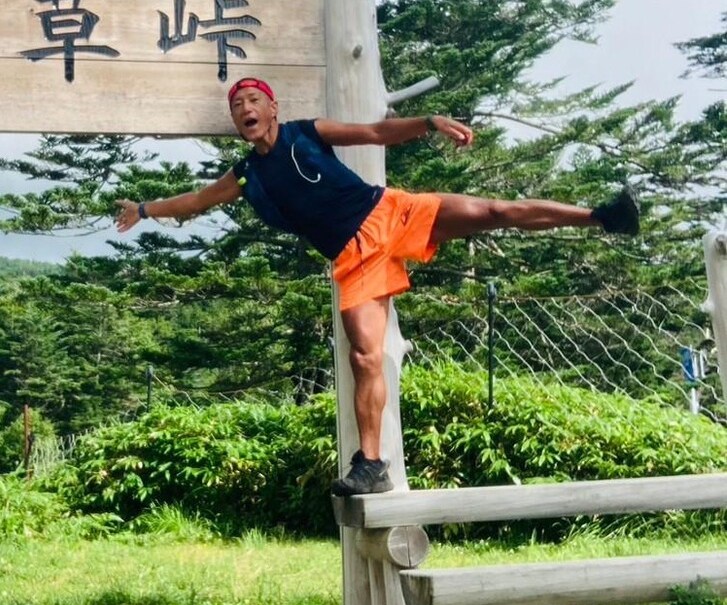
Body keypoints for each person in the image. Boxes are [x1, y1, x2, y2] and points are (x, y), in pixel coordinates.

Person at [115, 76, 639, 498]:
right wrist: (143, 210)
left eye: (254, 99)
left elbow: (372, 132)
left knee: (495, 212)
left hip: (391, 211)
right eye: (237, 106)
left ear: (272, 108)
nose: (245, 109)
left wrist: (429, 123)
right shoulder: (247, 175)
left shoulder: (306, 132)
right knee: (364, 358)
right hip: (352, 256)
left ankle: (602, 217)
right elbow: (195, 202)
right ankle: (371, 464)